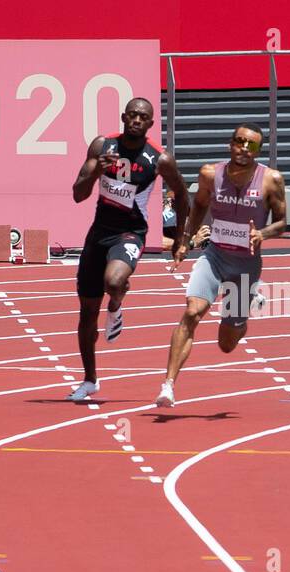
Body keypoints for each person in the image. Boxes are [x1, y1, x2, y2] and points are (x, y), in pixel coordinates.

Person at [156, 124, 287, 407]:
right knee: (192, 312)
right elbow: (199, 206)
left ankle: (246, 303)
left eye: (250, 144)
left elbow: (283, 221)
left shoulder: (271, 180)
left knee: (226, 344)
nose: (243, 147)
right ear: (230, 144)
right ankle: (168, 385)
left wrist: (262, 234)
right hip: (214, 256)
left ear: (258, 150)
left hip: (245, 264)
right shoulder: (209, 174)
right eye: (239, 141)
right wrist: (185, 240)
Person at [68, 97, 189, 402]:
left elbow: (183, 195)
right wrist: (97, 170)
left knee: (113, 281)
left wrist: (181, 239)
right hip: (99, 234)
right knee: (86, 315)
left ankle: (117, 303)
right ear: (124, 117)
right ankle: (89, 380)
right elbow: (78, 195)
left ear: (150, 124)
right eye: (132, 115)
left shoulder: (159, 159)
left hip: (130, 233)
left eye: (142, 117)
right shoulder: (102, 146)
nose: (136, 120)